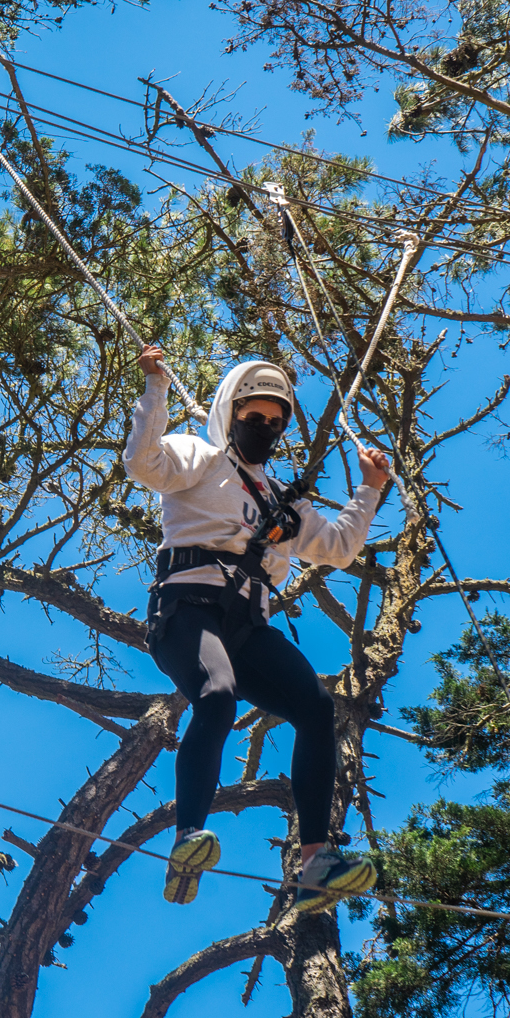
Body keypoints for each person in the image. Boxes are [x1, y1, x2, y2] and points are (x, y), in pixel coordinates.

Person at [125, 347, 392, 911]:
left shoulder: (280, 502)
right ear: (231, 414)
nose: (266, 429)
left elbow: (339, 547)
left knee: (317, 708)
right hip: (188, 609)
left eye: (276, 422)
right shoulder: (200, 457)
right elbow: (144, 464)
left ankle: (315, 861)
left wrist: (369, 489)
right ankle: (188, 837)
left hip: (247, 626)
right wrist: (155, 388)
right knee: (216, 695)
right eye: (255, 418)